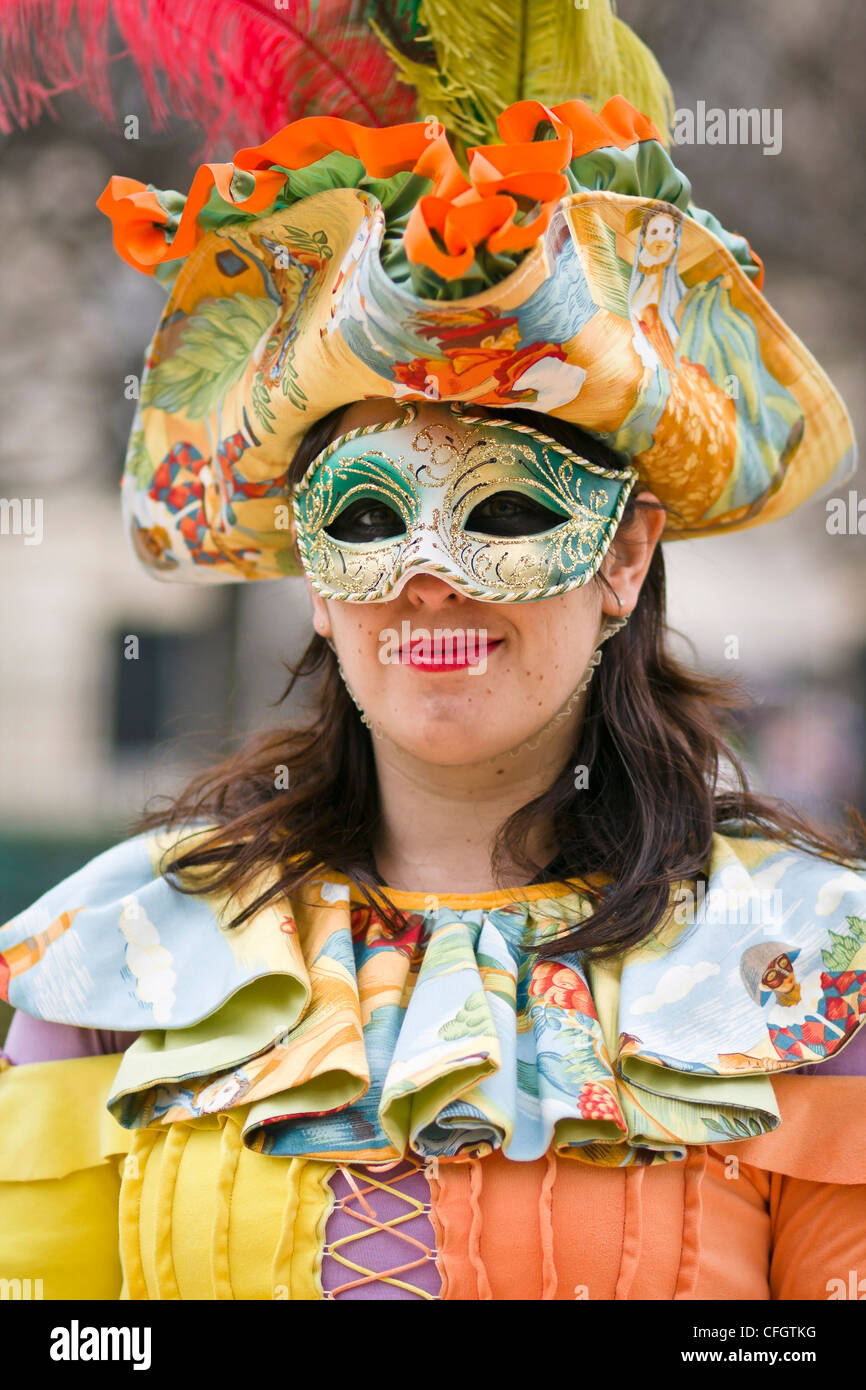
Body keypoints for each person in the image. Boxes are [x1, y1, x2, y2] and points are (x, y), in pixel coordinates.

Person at [0, 0, 864, 1302]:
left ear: (625, 554)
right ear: (306, 568)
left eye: (507, 510)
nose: (423, 577)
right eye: (362, 516)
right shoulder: (115, 957)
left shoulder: (812, 964)